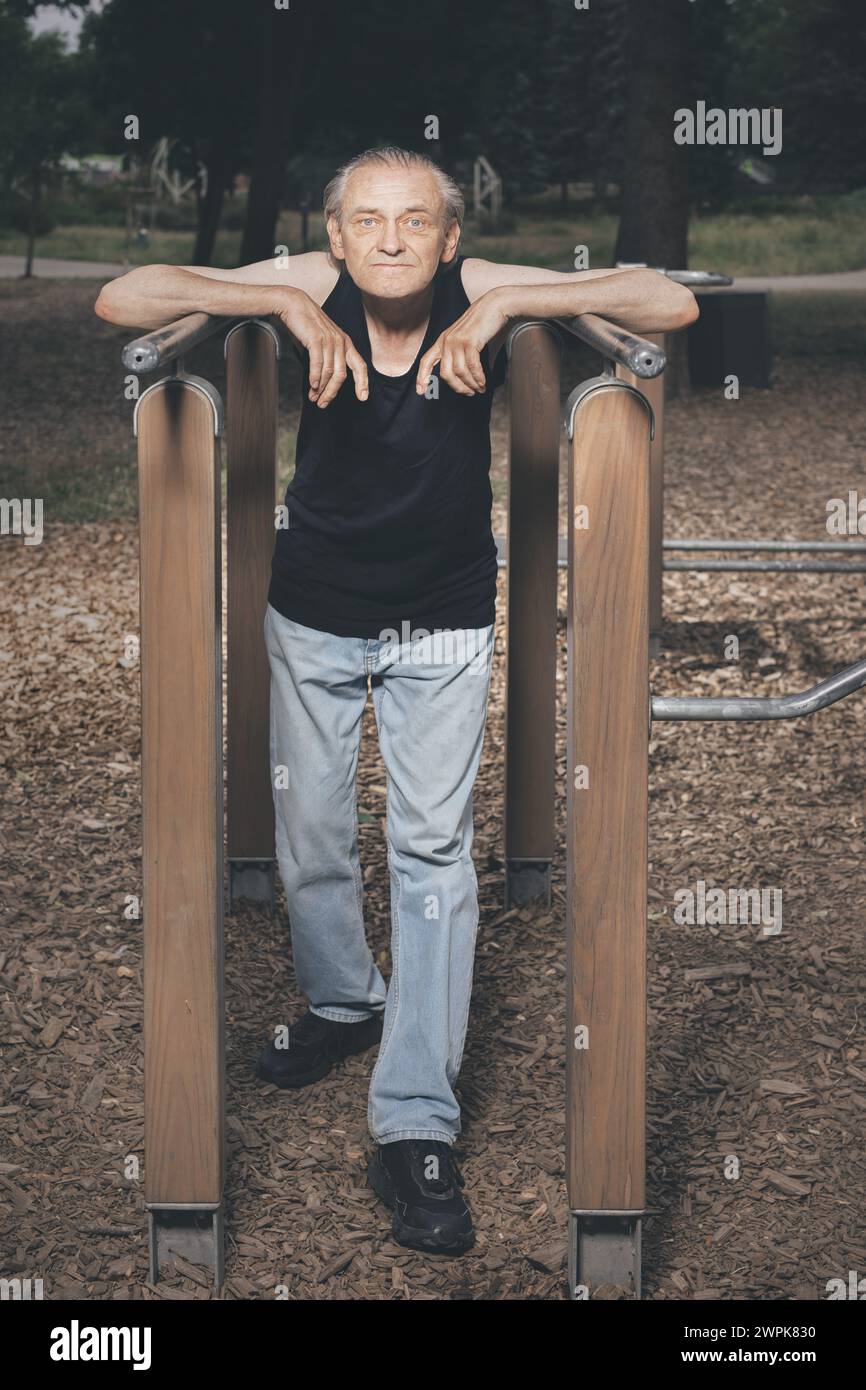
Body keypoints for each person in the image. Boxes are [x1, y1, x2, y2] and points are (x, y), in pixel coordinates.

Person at [95, 146, 697, 1255]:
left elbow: (663, 299)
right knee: (312, 833)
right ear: (334, 236)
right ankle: (340, 1000)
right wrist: (275, 297)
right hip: (313, 608)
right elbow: (121, 296)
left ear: (447, 237)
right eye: (364, 221)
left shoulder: (478, 288)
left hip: (445, 618)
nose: (386, 240)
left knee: (428, 850)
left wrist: (516, 299)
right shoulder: (309, 284)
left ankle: (414, 1118)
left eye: (412, 221)